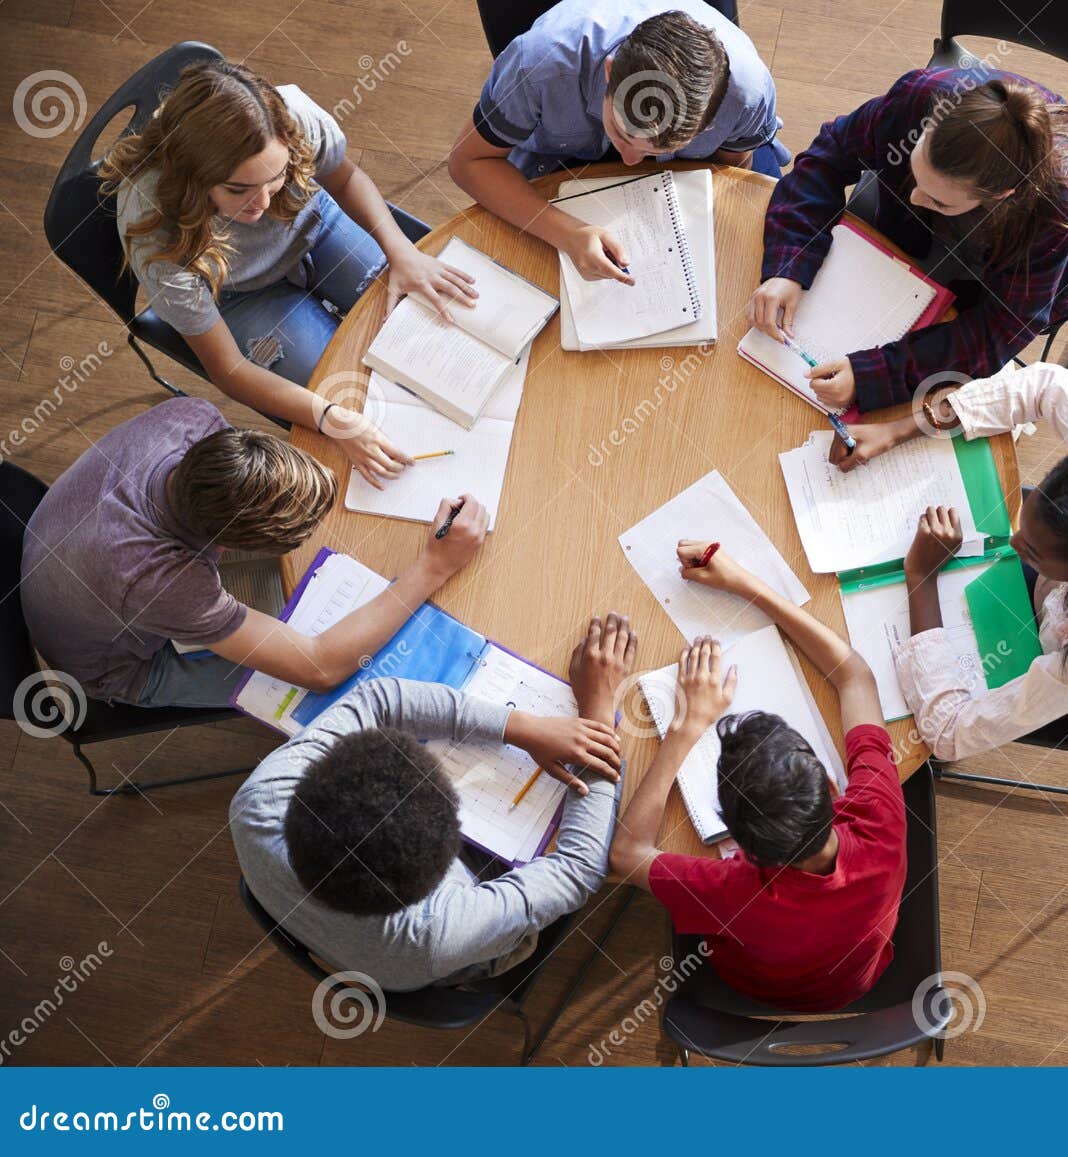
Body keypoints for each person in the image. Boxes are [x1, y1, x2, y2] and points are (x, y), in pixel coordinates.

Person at [101, 59, 478, 489]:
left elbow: (346, 178)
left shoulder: (295, 114)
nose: (260, 202)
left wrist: (400, 251)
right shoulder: (152, 228)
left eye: (276, 177)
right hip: (237, 292)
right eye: (238, 190)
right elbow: (229, 369)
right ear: (193, 180)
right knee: (352, 401)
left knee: (425, 331)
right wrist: (327, 416)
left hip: (315, 226)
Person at [231, 615, 636, 991]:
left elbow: (378, 699)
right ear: (447, 863)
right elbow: (577, 869)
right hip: (443, 959)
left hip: (357, 936)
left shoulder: (261, 799)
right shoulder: (437, 929)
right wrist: (598, 717)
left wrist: (520, 726)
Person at [830, 362, 1068, 760]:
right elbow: (1051, 384)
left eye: (1032, 550)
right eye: (1024, 526)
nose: (1012, 541)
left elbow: (948, 734)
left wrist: (921, 577)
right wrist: (899, 429)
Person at [19, 396, 487, 710]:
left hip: (64, 552)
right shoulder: (161, 579)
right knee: (345, 688)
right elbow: (320, 667)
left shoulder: (192, 418)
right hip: (115, 667)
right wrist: (434, 566)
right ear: (229, 546)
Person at [608, 546, 907, 1012]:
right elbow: (854, 676)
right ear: (831, 787)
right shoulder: (880, 823)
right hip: (858, 980)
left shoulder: (732, 891)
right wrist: (750, 586)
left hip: (747, 986)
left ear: (735, 840)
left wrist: (687, 728)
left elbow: (626, 855)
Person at [749, 68, 1068, 413]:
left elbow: (998, 330)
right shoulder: (920, 97)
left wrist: (876, 374)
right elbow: (829, 156)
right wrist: (790, 263)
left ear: (1000, 196)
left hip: (1018, 271)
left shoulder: (1057, 209)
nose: (915, 198)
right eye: (916, 168)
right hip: (915, 240)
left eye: (939, 201)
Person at [449, 1, 786, 284]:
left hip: (694, 168)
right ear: (610, 72)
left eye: (659, 150)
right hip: (556, 157)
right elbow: (467, 163)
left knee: (753, 262)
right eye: (624, 133)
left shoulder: (748, 94)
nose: (631, 161)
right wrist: (567, 233)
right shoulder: (537, 66)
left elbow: (733, 167)